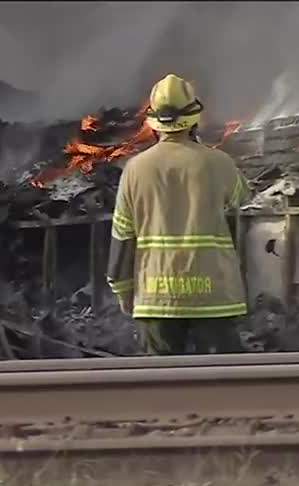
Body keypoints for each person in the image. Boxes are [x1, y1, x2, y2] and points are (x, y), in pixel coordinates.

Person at [106, 74, 249, 355]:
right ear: (194, 117)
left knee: (163, 388)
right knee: (225, 386)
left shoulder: (135, 169)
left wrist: (122, 288)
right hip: (214, 298)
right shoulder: (218, 162)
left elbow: (122, 235)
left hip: (156, 298)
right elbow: (241, 200)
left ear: (154, 121)